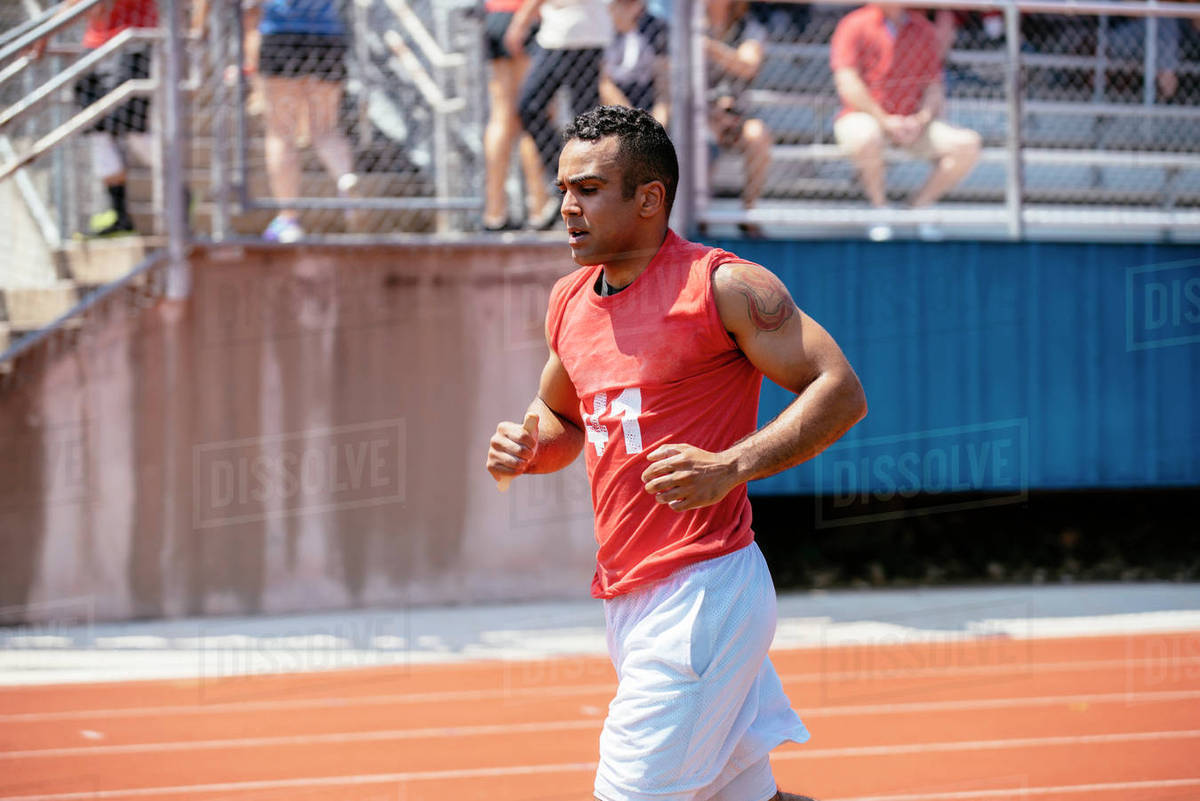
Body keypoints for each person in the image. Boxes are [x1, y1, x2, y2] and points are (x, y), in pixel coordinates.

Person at [485, 105, 867, 801]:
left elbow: (840, 390)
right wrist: (528, 444)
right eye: (565, 187)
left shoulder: (724, 286)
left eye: (590, 189)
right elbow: (562, 418)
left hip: (704, 592)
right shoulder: (570, 300)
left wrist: (733, 465)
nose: (567, 206)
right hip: (630, 596)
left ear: (650, 197)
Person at [830, 4, 982, 241]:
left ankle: (917, 208)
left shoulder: (923, 29)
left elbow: (934, 84)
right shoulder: (854, 24)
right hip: (864, 116)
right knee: (865, 137)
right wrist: (884, 120)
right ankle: (880, 210)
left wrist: (920, 119)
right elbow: (847, 82)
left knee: (967, 144)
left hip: (913, 122)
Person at [29, 0, 159, 236]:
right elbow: (74, 3)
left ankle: (178, 193)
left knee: (131, 130)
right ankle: (119, 215)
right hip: (95, 46)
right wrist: (44, 35)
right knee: (97, 132)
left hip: (131, 43)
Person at [256, 0, 358, 242]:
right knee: (325, 128)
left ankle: (288, 218)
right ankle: (345, 177)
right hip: (327, 35)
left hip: (281, 32)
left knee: (281, 132)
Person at [505, 0, 612, 229]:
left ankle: (585, 188)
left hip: (580, 34)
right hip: (562, 32)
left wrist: (521, 21)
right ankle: (568, 178)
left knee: (586, 122)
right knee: (531, 107)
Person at [483, 0, 553, 231]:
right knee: (534, 117)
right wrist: (523, 21)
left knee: (502, 115)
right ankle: (540, 207)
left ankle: (494, 211)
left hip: (497, 14)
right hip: (526, 18)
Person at [705, 0, 772, 238]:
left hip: (737, 117)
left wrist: (707, 47)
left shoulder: (747, 27)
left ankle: (748, 212)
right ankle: (699, 215)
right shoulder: (691, 26)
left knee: (758, 134)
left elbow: (747, 65)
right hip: (700, 116)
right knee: (702, 138)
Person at [600, 0, 670, 127]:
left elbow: (663, 81)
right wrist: (632, 119)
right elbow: (604, 83)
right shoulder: (603, 30)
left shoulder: (656, 28)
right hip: (615, 103)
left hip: (647, 97)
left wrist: (659, 120)